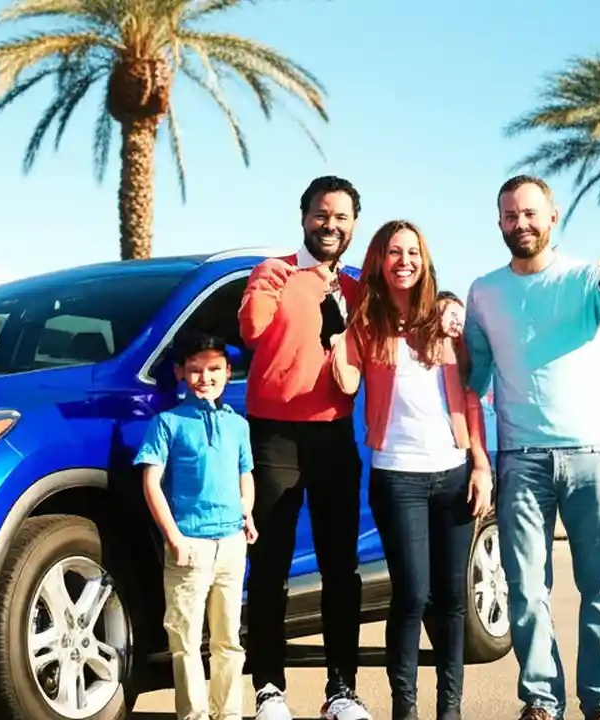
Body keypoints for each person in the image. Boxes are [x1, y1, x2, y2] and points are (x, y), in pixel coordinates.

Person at [464, 175, 600, 720]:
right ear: (499, 222)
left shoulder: (587, 278)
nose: (521, 223)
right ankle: (541, 700)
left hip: (593, 455)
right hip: (521, 460)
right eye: (510, 215)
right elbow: (471, 378)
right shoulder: (484, 292)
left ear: (552, 217)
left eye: (530, 213)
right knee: (526, 590)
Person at [331, 220, 494, 720]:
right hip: (397, 476)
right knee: (412, 595)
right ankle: (406, 709)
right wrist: (336, 335)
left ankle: (450, 709)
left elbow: (471, 396)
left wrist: (480, 463)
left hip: (453, 473)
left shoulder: (445, 324)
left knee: (452, 598)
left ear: (424, 261)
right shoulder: (367, 324)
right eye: (394, 252)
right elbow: (347, 382)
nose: (405, 261)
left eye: (413, 252)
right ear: (380, 261)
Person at [238, 175, 372, 720]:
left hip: (335, 437)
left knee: (341, 568)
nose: (330, 225)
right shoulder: (276, 272)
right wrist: (264, 283)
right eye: (321, 214)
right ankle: (269, 689)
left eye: (341, 217)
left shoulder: (358, 291)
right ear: (303, 217)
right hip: (274, 437)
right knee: (270, 567)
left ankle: (341, 691)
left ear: (354, 225)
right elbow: (251, 330)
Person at [135, 331, 260, 720]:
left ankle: (230, 713)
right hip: (190, 545)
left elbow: (245, 474)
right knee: (186, 640)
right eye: (195, 370)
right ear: (180, 373)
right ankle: (194, 714)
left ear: (227, 371)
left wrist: (247, 513)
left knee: (229, 639)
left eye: (214, 369)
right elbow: (151, 482)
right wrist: (173, 536)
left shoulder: (237, 424)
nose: (205, 378)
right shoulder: (167, 423)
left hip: (232, 544)